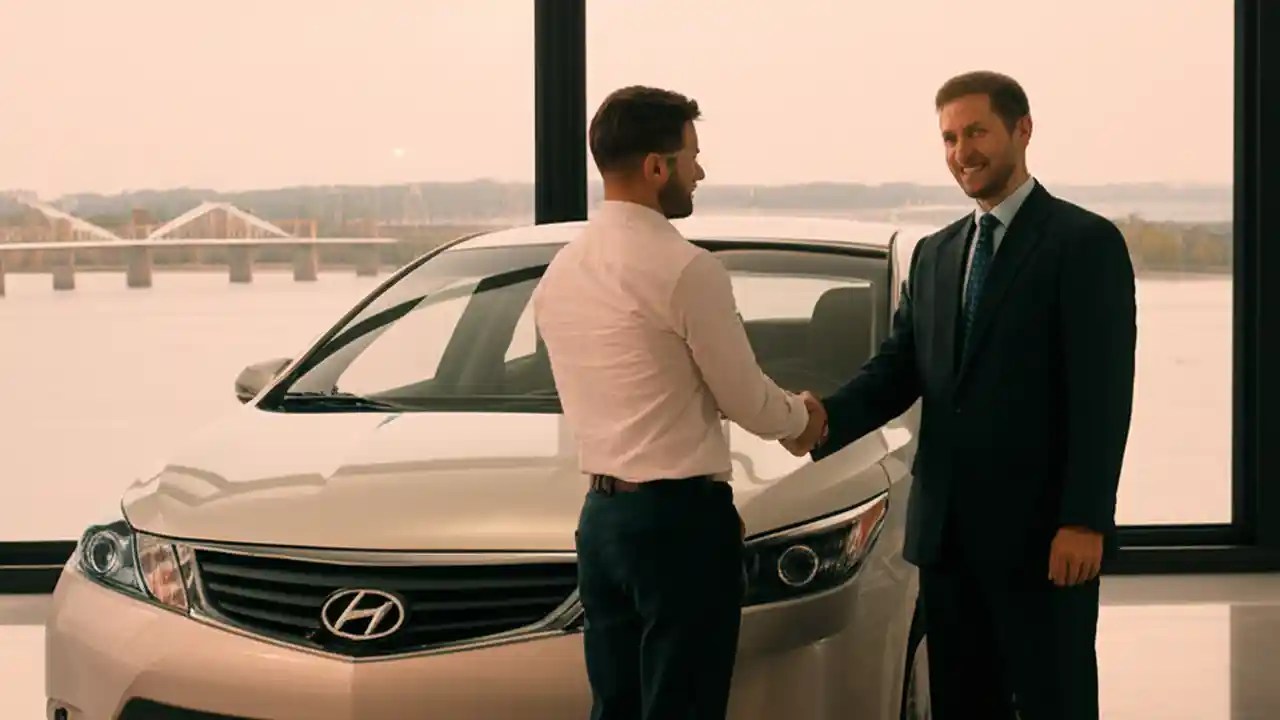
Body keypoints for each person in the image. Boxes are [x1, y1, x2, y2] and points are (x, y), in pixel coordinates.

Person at [784, 71, 1136, 720]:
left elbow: (1103, 397)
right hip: (946, 542)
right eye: (949, 138)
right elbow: (898, 370)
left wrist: (1085, 520)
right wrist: (823, 419)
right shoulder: (936, 254)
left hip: (1044, 539)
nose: (961, 152)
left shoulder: (1084, 244)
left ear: (1022, 130)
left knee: (1055, 701)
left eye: (976, 132)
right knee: (962, 706)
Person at [533, 85, 827, 720]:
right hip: (679, 527)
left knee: (615, 706)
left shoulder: (561, 271)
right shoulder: (687, 269)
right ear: (656, 167)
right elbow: (746, 399)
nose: (700, 172)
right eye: (692, 156)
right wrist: (803, 418)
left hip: (601, 523)